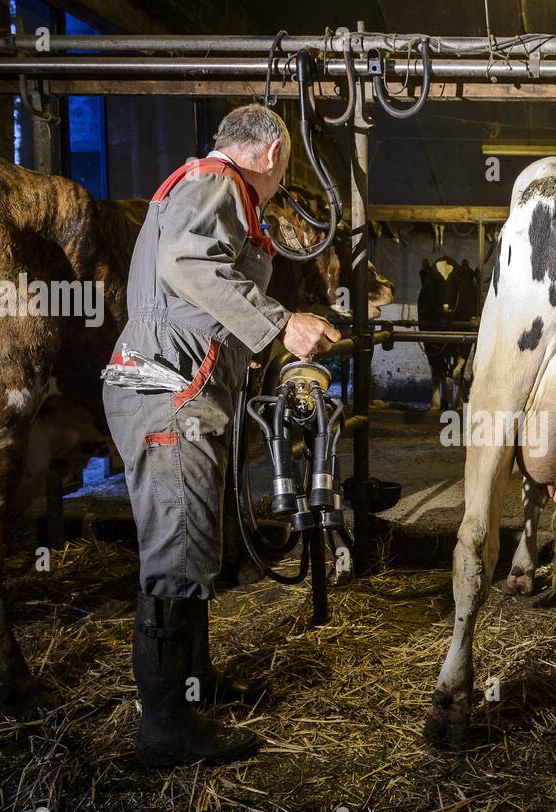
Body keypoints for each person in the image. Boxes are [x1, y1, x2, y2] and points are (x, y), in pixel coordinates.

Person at [102, 104, 340, 767]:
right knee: (175, 554)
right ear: (268, 156)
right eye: (285, 168)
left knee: (190, 541)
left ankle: (194, 680)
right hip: (168, 393)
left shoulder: (206, 185)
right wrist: (279, 323)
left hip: (178, 388)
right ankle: (166, 727)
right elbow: (187, 262)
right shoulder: (217, 184)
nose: (281, 179)